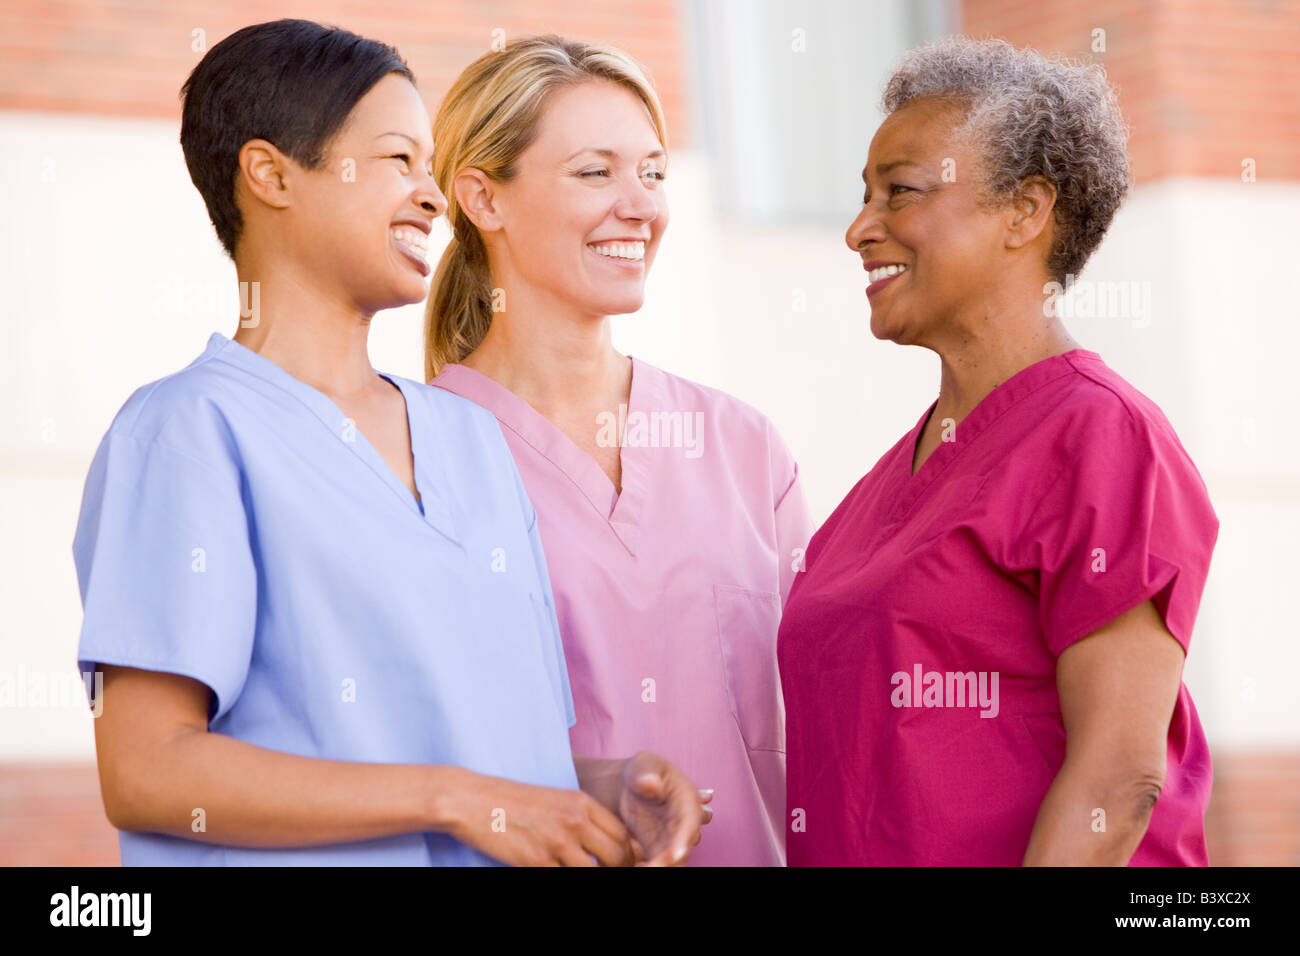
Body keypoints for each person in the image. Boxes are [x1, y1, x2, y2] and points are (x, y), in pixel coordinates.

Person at [72, 18, 704, 867]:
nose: (431, 196)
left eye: (429, 168)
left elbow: (503, 770)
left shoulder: (471, 440)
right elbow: (147, 770)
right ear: (270, 175)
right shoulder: (187, 434)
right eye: (397, 161)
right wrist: (456, 798)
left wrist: (600, 790)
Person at [777, 37, 1219, 865]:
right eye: (863, 197)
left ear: (1025, 212)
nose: (858, 229)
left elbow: (1118, 784)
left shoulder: (1102, 435)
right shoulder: (881, 489)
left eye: (899, 193)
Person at [425, 35, 813, 865]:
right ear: (482, 198)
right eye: (596, 172)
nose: (640, 206)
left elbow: (824, 713)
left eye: (654, 172)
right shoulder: (415, 455)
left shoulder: (743, 448)